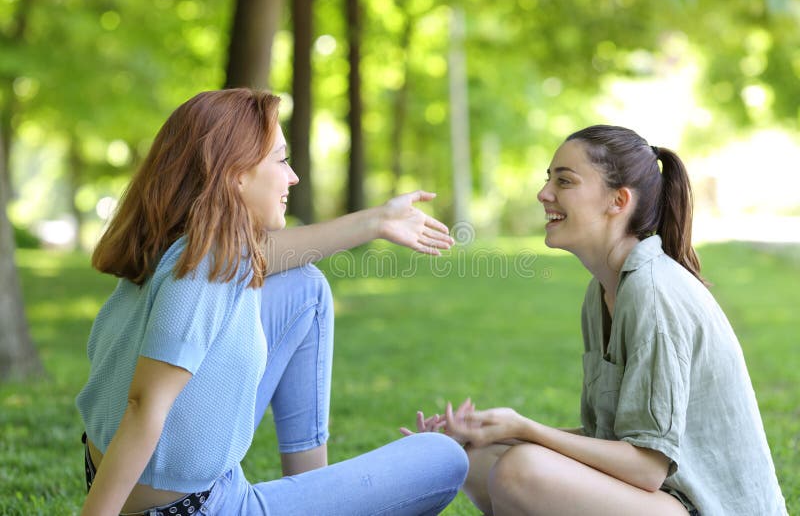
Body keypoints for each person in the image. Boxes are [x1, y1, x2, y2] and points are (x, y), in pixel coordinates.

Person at [76, 88, 468, 516]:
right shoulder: (204, 265)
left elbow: (280, 257)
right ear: (236, 173)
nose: (293, 176)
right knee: (444, 457)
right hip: (199, 507)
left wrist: (378, 221)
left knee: (304, 288)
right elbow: (144, 404)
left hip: (160, 482)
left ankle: (310, 488)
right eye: (281, 160)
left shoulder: (186, 243)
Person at [407, 125, 787, 515]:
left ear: (617, 201)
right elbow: (604, 440)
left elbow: (646, 468)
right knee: (474, 458)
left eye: (565, 181)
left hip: (700, 507)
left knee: (522, 471)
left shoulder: (653, 294)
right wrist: (487, 434)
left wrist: (525, 430)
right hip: (659, 500)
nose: (544, 194)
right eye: (548, 180)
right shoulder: (603, 291)